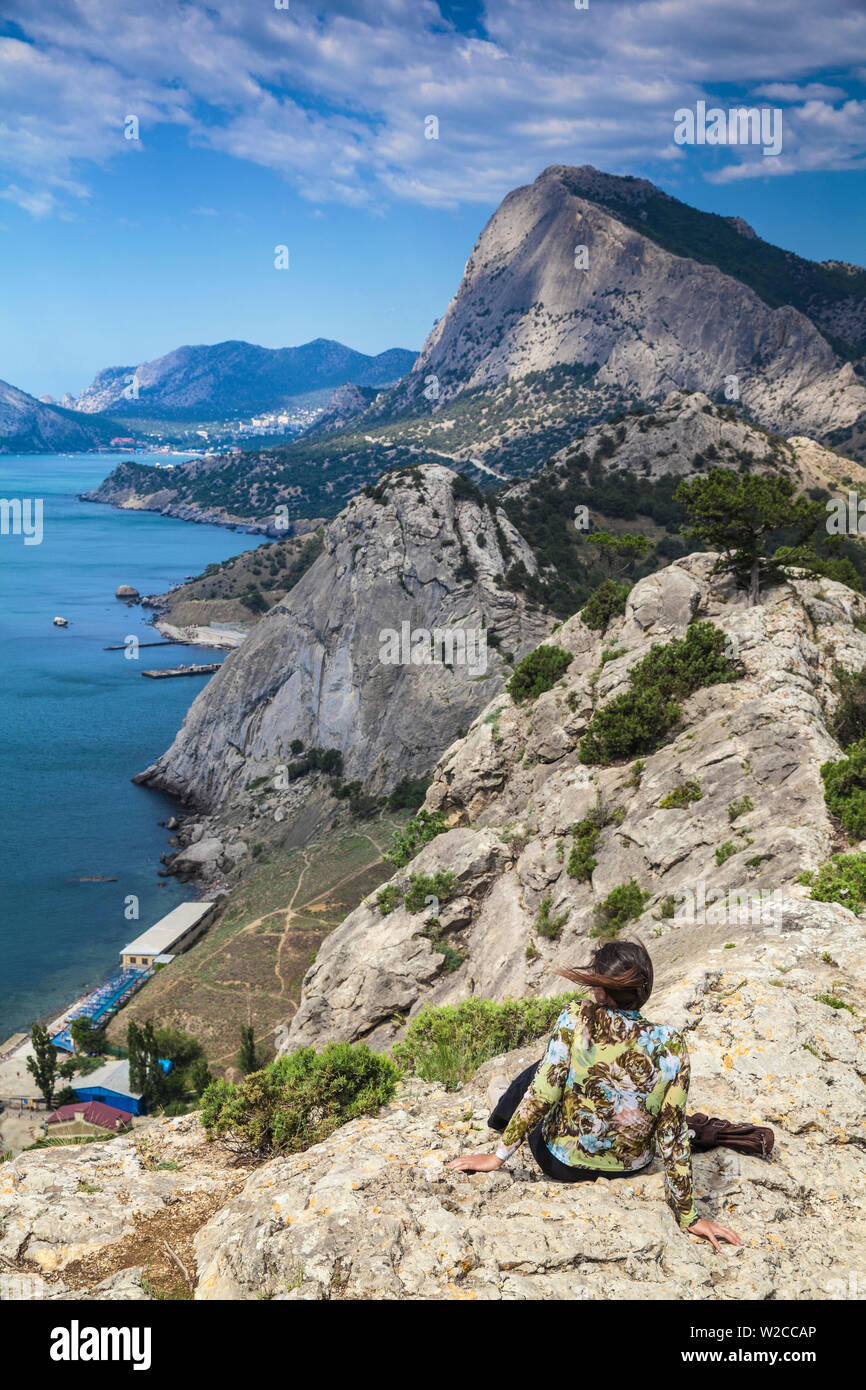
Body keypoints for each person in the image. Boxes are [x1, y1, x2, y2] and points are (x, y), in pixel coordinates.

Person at [448, 940, 742, 1251]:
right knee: (554, 1067)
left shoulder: (577, 1016)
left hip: (563, 1165)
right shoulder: (672, 1043)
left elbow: (545, 1093)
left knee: (543, 1070)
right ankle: (504, 1104)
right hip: (632, 1166)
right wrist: (689, 1216)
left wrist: (497, 1157)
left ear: (601, 990)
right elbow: (672, 1131)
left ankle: (500, 1113)